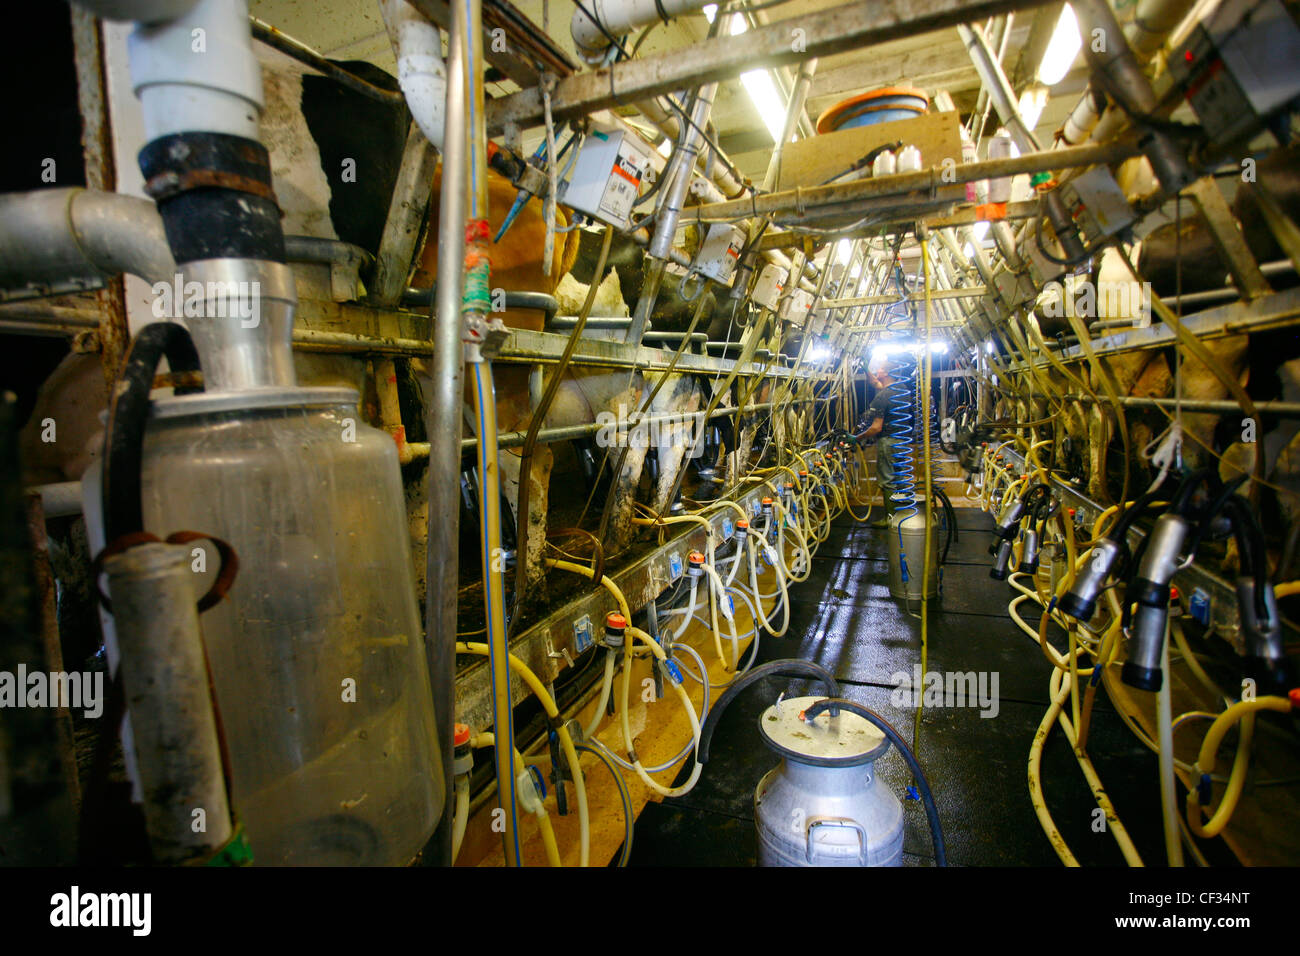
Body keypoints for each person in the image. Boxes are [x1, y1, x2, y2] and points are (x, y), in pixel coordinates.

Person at [856, 353, 915, 528]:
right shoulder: (901, 389)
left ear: (887, 373)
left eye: (880, 368)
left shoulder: (881, 397)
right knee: (900, 476)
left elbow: (876, 428)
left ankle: (891, 519)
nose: (877, 370)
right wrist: (865, 369)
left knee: (887, 480)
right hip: (902, 441)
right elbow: (877, 383)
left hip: (888, 441)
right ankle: (904, 516)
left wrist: (856, 438)